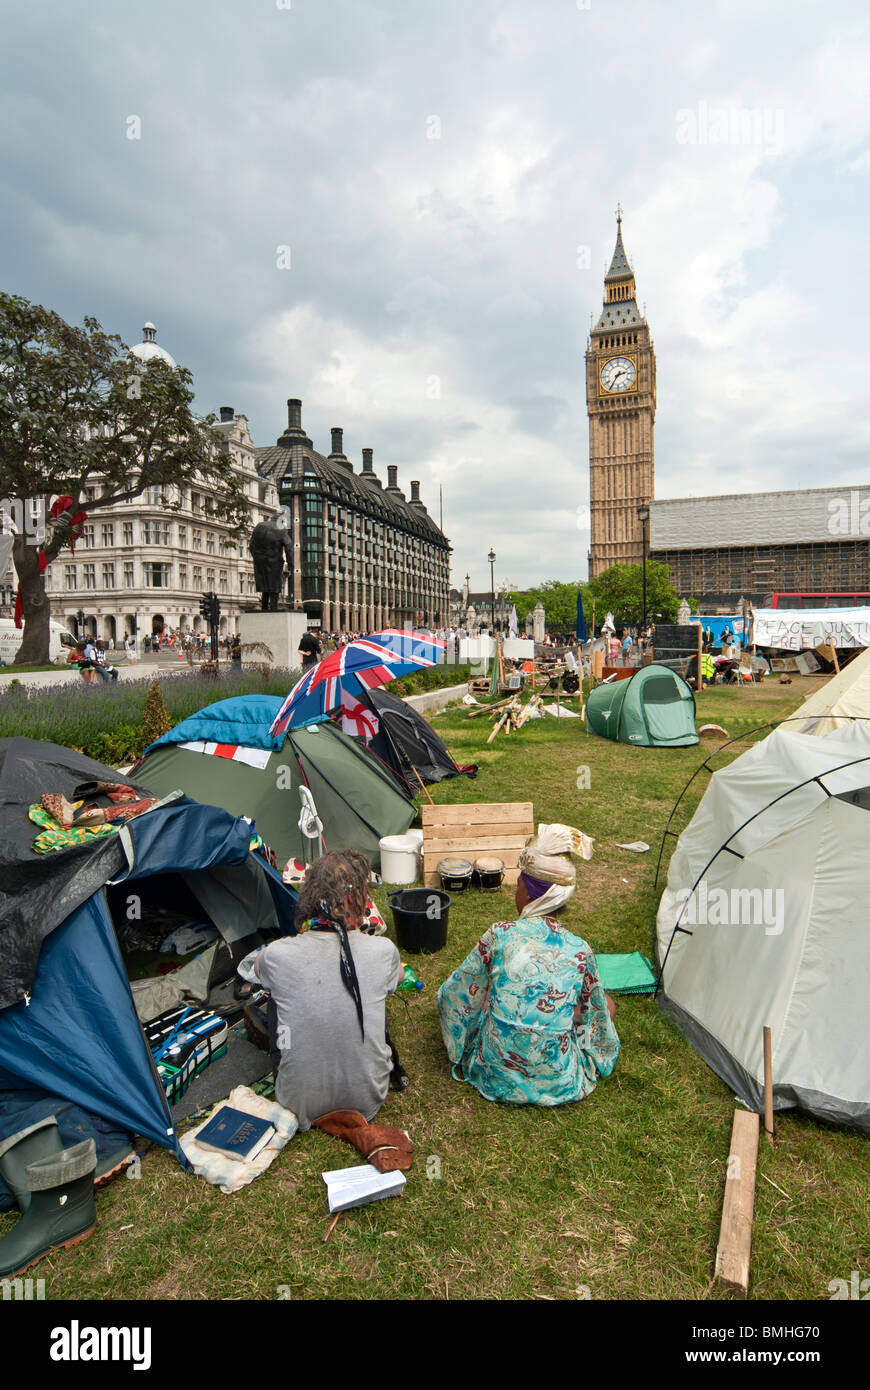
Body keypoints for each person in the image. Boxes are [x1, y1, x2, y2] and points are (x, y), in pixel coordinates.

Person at [438, 824, 619, 1107]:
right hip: (561, 1082)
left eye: (519, 885)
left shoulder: (499, 934)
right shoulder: (579, 949)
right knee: (606, 1004)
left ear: (531, 893)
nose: (516, 893)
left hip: (494, 1076)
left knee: (486, 995)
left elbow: (457, 994)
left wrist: (462, 1034)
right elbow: (596, 1015)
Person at [239, 850, 403, 1130]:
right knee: (372, 989)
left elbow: (250, 969)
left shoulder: (279, 955)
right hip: (368, 1100)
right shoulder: (383, 950)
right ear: (354, 899)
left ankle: (296, 1067)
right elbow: (396, 978)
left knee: (277, 991)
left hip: (296, 1102)